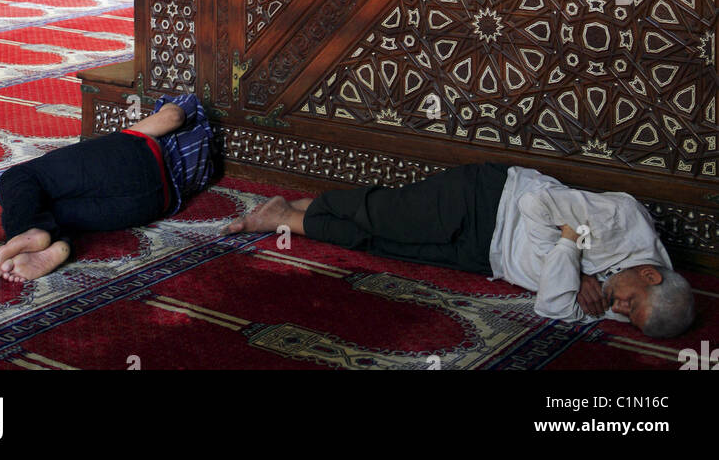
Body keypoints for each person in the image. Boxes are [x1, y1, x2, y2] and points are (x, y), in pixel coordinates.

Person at [227, 160, 696, 339]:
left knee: (381, 244)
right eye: (629, 303)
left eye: (626, 315)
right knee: (385, 215)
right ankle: (296, 208)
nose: (617, 309)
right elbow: (535, 204)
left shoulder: (636, 302)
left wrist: (568, 251)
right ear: (650, 275)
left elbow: (553, 307)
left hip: (485, 258)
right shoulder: (621, 222)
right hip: (487, 203)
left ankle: (287, 217)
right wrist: (571, 256)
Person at [0, 93, 217, 284]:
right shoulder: (208, 168)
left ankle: (31, 233)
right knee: (46, 208)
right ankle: (57, 245)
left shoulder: (190, 103)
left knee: (19, 178)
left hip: (135, 156)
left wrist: (127, 134)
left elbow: (173, 116)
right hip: (153, 204)